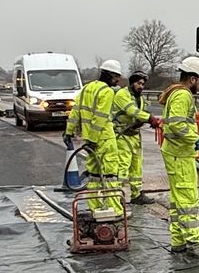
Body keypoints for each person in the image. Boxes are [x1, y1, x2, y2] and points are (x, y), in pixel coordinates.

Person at [158, 56, 199, 258]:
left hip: (176, 151)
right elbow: (176, 124)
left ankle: (178, 240)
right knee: (188, 198)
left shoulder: (176, 93)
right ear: (192, 79)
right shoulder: (183, 95)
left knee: (177, 198)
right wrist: (195, 138)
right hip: (179, 153)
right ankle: (194, 242)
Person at [63, 60, 125, 217]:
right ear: (110, 75)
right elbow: (100, 118)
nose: (118, 81)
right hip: (103, 139)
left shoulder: (87, 88)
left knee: (94, 176)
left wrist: (69, 131)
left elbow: (75, 111)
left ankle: (96, 208)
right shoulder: (107, 92)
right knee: (110, 175)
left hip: (90, 141)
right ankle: (114, 212)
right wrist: (94, 138)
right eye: (117, 77)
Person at [113, 71, 161, 205]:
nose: (141, 86)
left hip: (134, 135)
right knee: (123, 167)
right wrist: (148, 118)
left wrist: (147, 118)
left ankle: (136, 194)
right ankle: (117, 197)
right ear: (132, 83)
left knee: (136, 167)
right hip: (122, 135)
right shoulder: (122, 94)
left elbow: (142, 111)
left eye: (143, 84)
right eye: (138, 83)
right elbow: (132, 111)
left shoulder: (139, 97)